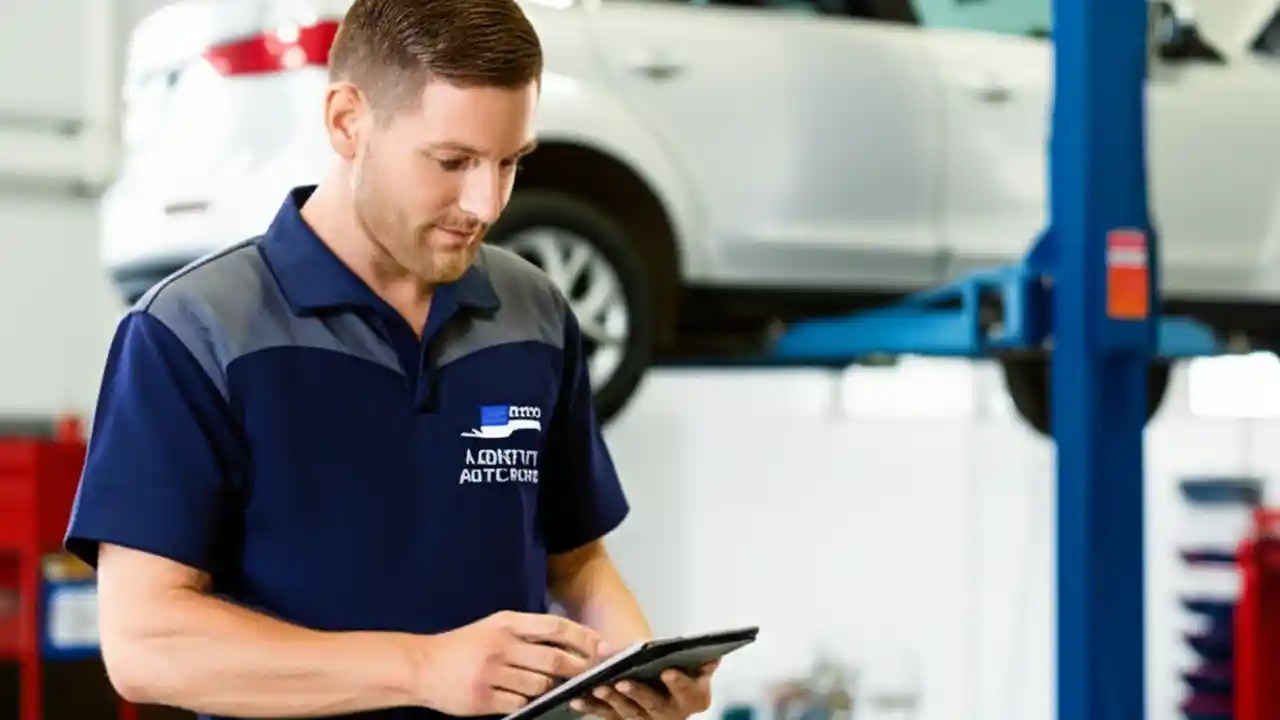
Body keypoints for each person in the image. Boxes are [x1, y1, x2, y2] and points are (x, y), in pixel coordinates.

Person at [62, 1, 718, 719]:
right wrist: (420, 668)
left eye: (510, 163)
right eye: (453, 161)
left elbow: (579, 566)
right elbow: (145, 645)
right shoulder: (195, 332)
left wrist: (634, 670)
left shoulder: (537, 314)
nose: (486, 202)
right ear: (347, 121)